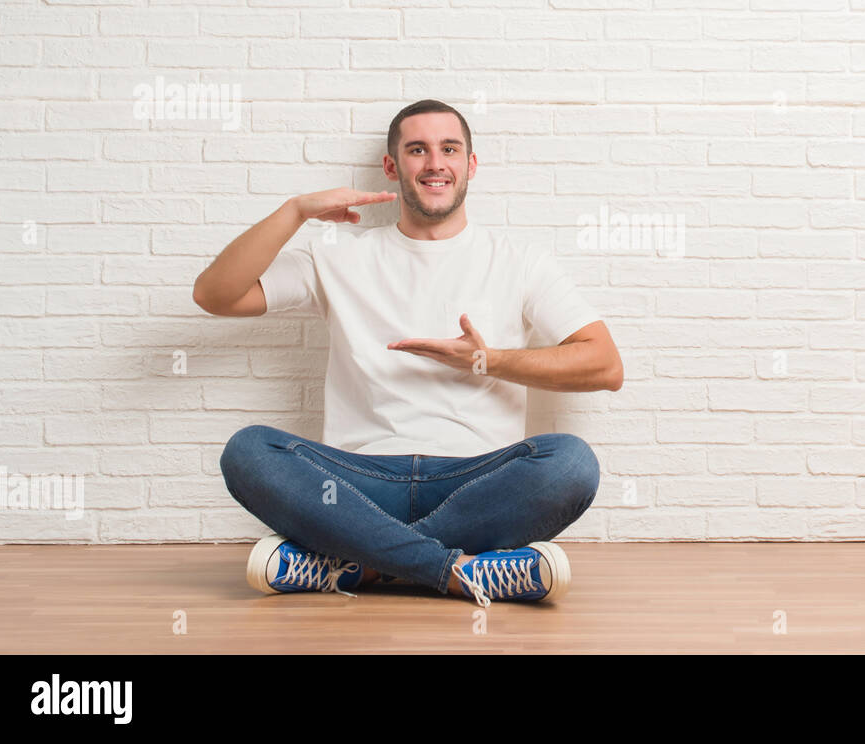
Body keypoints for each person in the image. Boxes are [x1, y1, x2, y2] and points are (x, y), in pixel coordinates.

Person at [192, 99, 623, 608]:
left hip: (475, 483)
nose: (435, 163)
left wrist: (488, 361)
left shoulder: (519, 261)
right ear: (393, 167)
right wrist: (296, 212)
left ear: (470, 164)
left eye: (449, 149)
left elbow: (605, 365)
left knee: (570, 463)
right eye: (417, 150)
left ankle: (361, 566)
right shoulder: (337, 256)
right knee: (248, 452)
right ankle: (457, 572)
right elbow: (215, 295)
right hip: (357, 488)